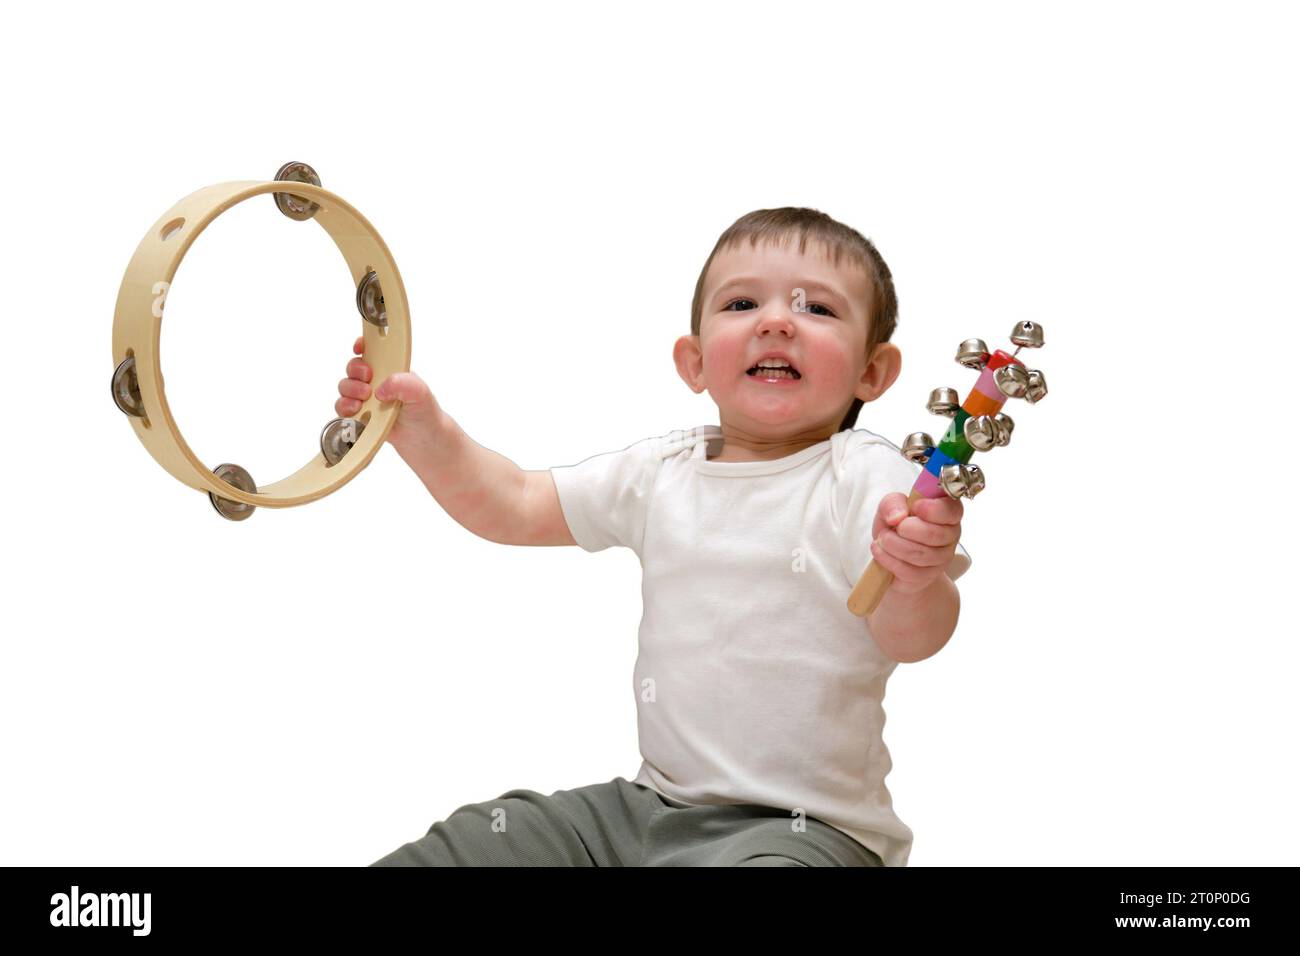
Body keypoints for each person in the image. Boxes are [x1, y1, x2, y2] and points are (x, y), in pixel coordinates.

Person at [349, 208, 970, 866]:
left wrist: (915, 576)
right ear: (694, 360)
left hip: (804, 833)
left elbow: (916, 636)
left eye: (816, 307)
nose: (777, 320)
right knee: (487, 835)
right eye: (741, 302)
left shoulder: (870, 480)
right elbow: (516, 503)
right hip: (646, 813)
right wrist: (423, 432)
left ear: (872, 372)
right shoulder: (661, 472)